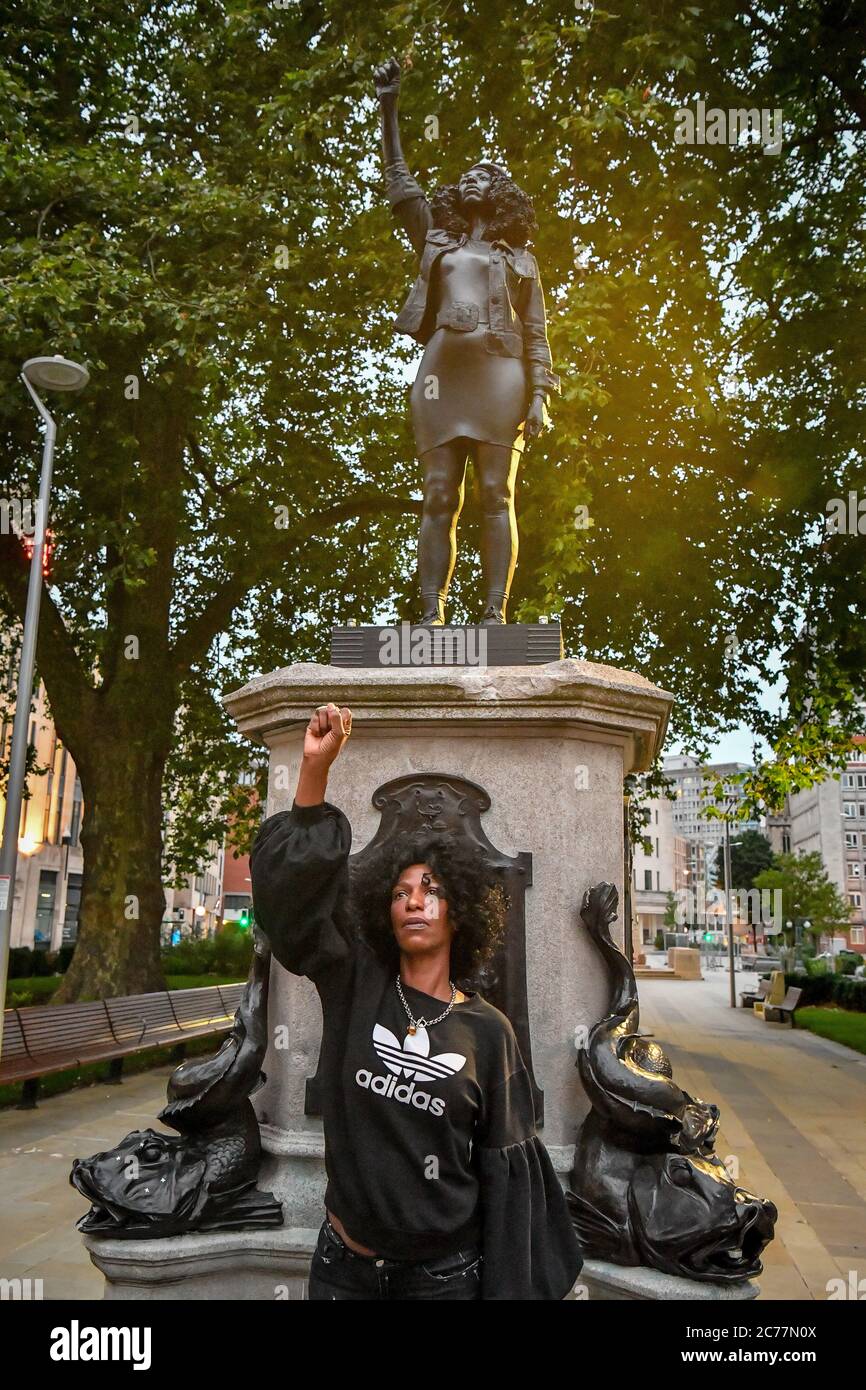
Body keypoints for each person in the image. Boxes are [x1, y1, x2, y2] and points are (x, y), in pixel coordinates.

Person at [250, 702, 584, 1301]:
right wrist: (313, 774)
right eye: (401, 891)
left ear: (460, 911)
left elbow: (508, 1179)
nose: (414, 900)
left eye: (431, 890)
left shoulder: (489, 1032)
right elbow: (294, 912)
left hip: (442, 1281)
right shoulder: (356, 985)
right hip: (342, 1272)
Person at [374, 57, 560, 627]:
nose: (475, 176)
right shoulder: (436, 237)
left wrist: (541, 394)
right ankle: (431, 617)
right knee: (437, 494)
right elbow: (400, 183)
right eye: (470, 173)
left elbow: (537, 332)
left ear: (501, 194)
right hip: (440, 378)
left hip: (501, 377)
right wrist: (388, 106)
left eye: (488, 174)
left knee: (495, 495)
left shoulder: (523, 261)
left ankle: (494, 617)